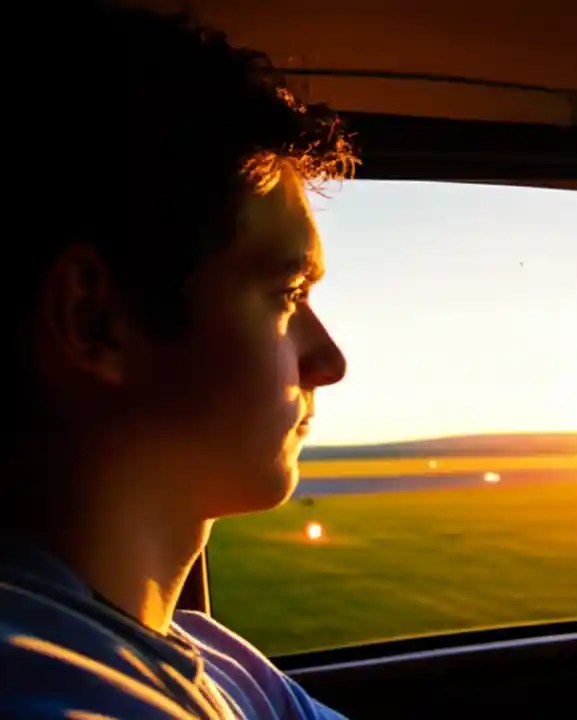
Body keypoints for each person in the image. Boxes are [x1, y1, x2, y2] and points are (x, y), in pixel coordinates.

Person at [2, 3, 356, 718]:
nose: (329, 361)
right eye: (287, 294)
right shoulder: (49, 693)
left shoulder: (217, 661)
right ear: (94, 322)